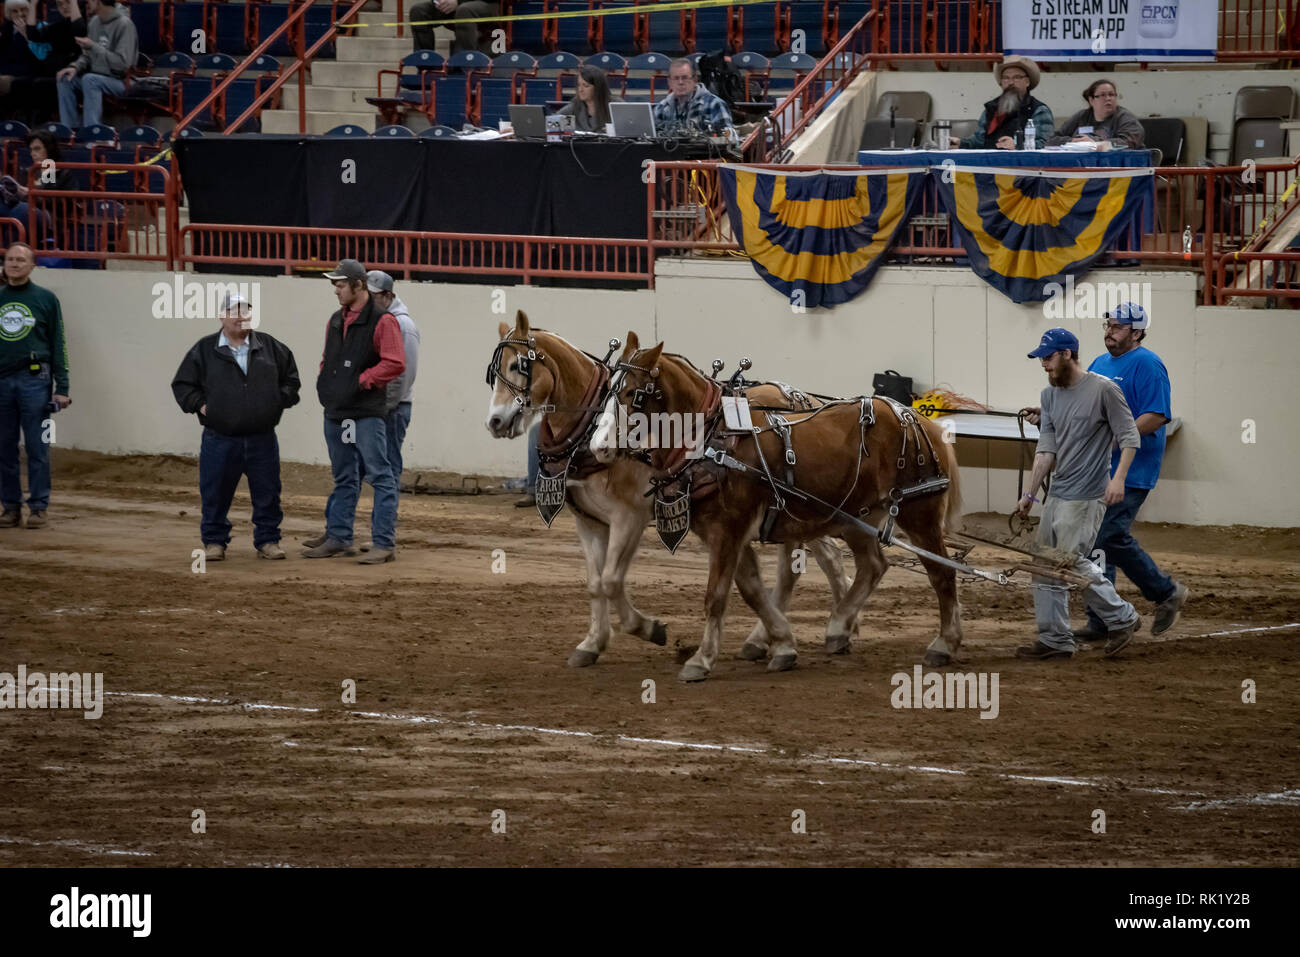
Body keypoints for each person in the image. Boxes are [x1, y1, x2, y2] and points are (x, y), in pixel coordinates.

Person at [1014, 327, 1141, 661]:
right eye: (1041, 359)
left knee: (1069, 563)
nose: (1044, 365)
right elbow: (1046, 449)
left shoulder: (1104, 390)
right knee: (1044, 563)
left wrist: (1118, 480)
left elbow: (1130, 437)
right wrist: (1030, 496)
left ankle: (1123, 617)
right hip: (1057, 493)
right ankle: (1055, 639)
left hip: (1087, 494)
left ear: (1067, 354)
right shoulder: (1049, 396)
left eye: (1048, 357)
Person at [170, 293, 301, 561]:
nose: (242, 317)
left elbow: (291, 380)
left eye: (247, 311)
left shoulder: (271, 347)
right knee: (215, 491)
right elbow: (183, 385)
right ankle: (214, 542)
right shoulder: (204, 350)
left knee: (267, 492)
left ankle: (268, 540)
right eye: (235, 311)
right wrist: (202, 406)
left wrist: (275, 402)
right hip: (220, 437)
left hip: (261, 437)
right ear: (222, 316)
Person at [302, 270, 418, 551]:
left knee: (380, 474)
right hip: (342, 410)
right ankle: (340, 536)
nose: (336, 290)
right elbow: (328, 358)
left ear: (358, 286)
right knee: (348, 474)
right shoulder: (337, 319)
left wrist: (364, 384)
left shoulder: (391, 322)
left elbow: (399, 366)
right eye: (335, 285)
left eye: (340, 285)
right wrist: (328, 385)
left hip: (371, 410)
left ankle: (381, 542)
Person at [0, 241, 70, 529]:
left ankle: (39, 507)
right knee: (3, 448)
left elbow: (58, 343)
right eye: (10, 259)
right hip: (2, 381)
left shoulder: (46, 299)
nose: (14, 264)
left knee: (38, 446)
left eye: (20, 259)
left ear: (32, 266)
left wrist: (62, 386)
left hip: (36, 380)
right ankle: (11, 507)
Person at [55, 0, 136, 129]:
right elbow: (87, 56)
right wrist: (74, 67)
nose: (86, 3)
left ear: (98, 2)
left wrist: (94, 46)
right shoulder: (94, 22)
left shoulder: (124, 24)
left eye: (89, 1)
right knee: (65, 78)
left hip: (120, 80)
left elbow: (122, 64)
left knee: (90, 79)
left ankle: (92, 131)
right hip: (95, 76)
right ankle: (69, 130)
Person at [952, 55, 1053, 151]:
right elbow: (979, 141)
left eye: (1016, 77)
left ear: (1027, 82)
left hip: (1023, 167)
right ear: (1001, 83)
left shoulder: (1039, 110)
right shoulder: (991, 108)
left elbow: (1046, 144)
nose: (1010, 82)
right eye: (1006, 78)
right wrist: (960, 143)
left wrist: (1018, 145)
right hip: (989, 165)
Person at [1, 131, 76, 238]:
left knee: (23, 210)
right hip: (23, 209)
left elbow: (63, 204)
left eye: (37, 149)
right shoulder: (28, 172)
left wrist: (32, 195)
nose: (32, 153)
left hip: (48, 216)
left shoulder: (61, 173)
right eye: (31, 150)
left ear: (49, 149)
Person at [653, 57, 736, 143]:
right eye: (676, 78)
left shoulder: (715, 105)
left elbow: (729, 140)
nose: (680, 82)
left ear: (695, 80)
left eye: (685, 77)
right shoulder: (661, 107)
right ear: (669, 82)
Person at [1047, 79, 1145, 150]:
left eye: (1111, 95)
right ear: (1091, 100)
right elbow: (1051, 140)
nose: (1108, 98)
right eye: (1103, 95)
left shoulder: (1124, 117)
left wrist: (1095, 143)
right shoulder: (1082, 116)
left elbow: (1128, 142)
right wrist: (1073, 141)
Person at [410, 0, 501, 56]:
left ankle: (464, 63)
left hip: (487, 3)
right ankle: (425, 63)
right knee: (418, 10)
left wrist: (459, 1)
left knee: (464, 10)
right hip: (454, 3)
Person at [558, 65, 619, 133]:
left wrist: (614, 131)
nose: (580, 90)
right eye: (579, 85)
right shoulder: (574, 107)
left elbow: (628, 128)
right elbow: (553, 123)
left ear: (598, 88)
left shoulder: (615, 105)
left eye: (586, 86)